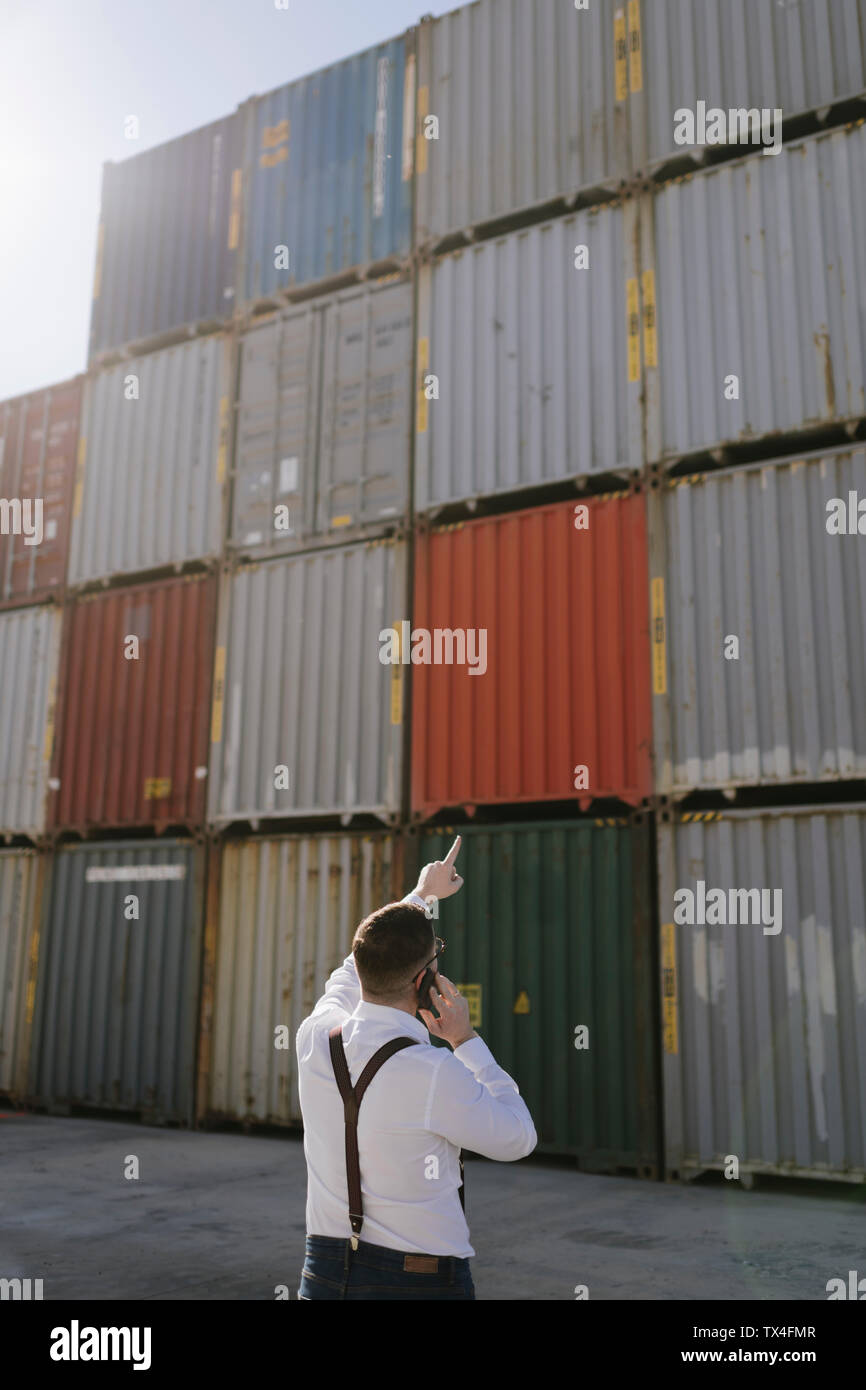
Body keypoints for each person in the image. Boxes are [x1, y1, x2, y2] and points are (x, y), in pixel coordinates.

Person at [296, 835, 537, 1300]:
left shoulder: (314, 1037)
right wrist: (465, 1041)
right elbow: (518, 1138)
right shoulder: (435, 1071)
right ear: (425, 980)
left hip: (322, 1272)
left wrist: (421, 895)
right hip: (416, 1281)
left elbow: (350, 970)